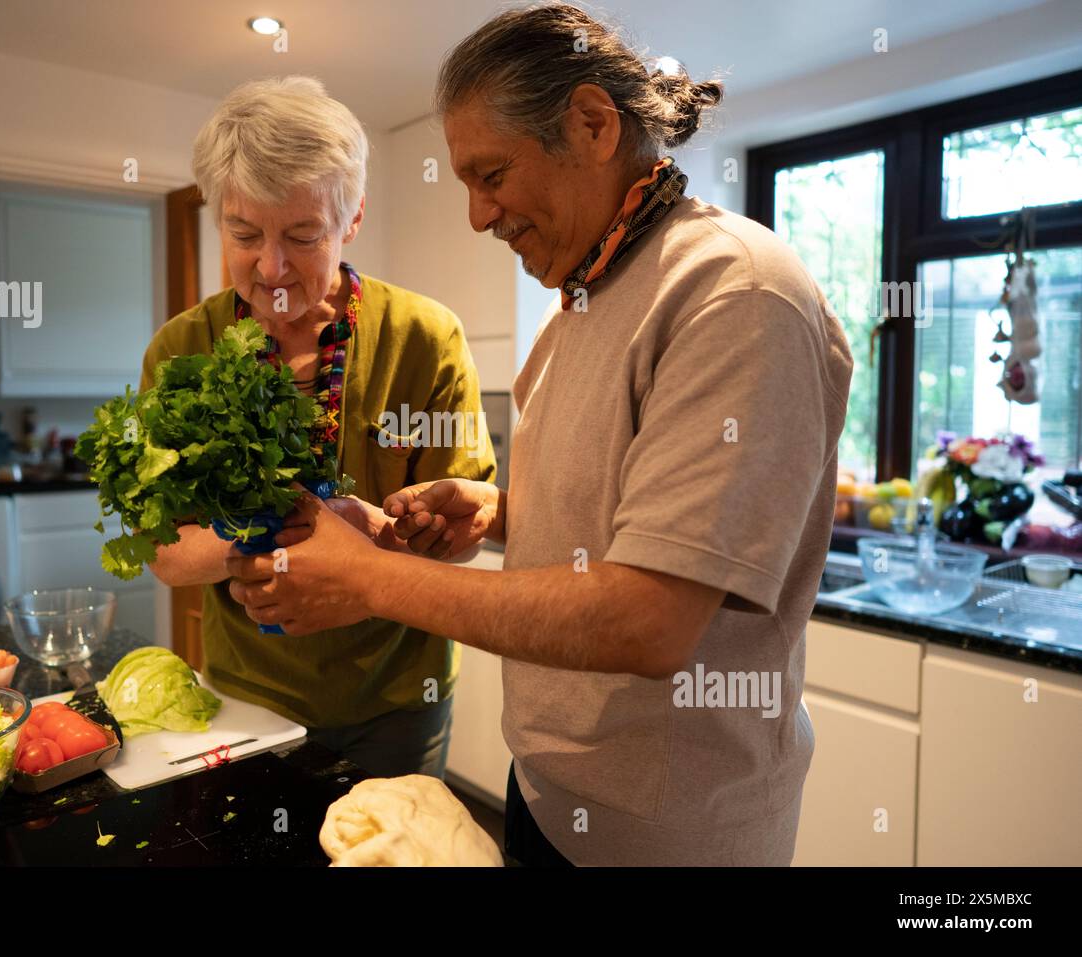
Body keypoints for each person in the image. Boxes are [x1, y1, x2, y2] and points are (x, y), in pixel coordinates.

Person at [225, 6, 853, 866]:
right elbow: (624, 519)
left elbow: (648, 616)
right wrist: (498, 508)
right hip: (553, 793)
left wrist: (373, 579)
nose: (479, 216)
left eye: (492, 174)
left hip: (670, 833)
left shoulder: (734, 294)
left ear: (593, 125)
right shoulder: (583, 299)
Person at [141, 76, 496, 779]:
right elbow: (164, 552)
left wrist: (373, 547)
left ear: (353, 218)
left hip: (399, 698)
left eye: (303, 235)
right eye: (244, 234)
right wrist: (279, 529)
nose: (271, 267)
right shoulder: (182, 350)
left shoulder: (425, 337)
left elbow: (465, 536)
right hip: (247, 699)